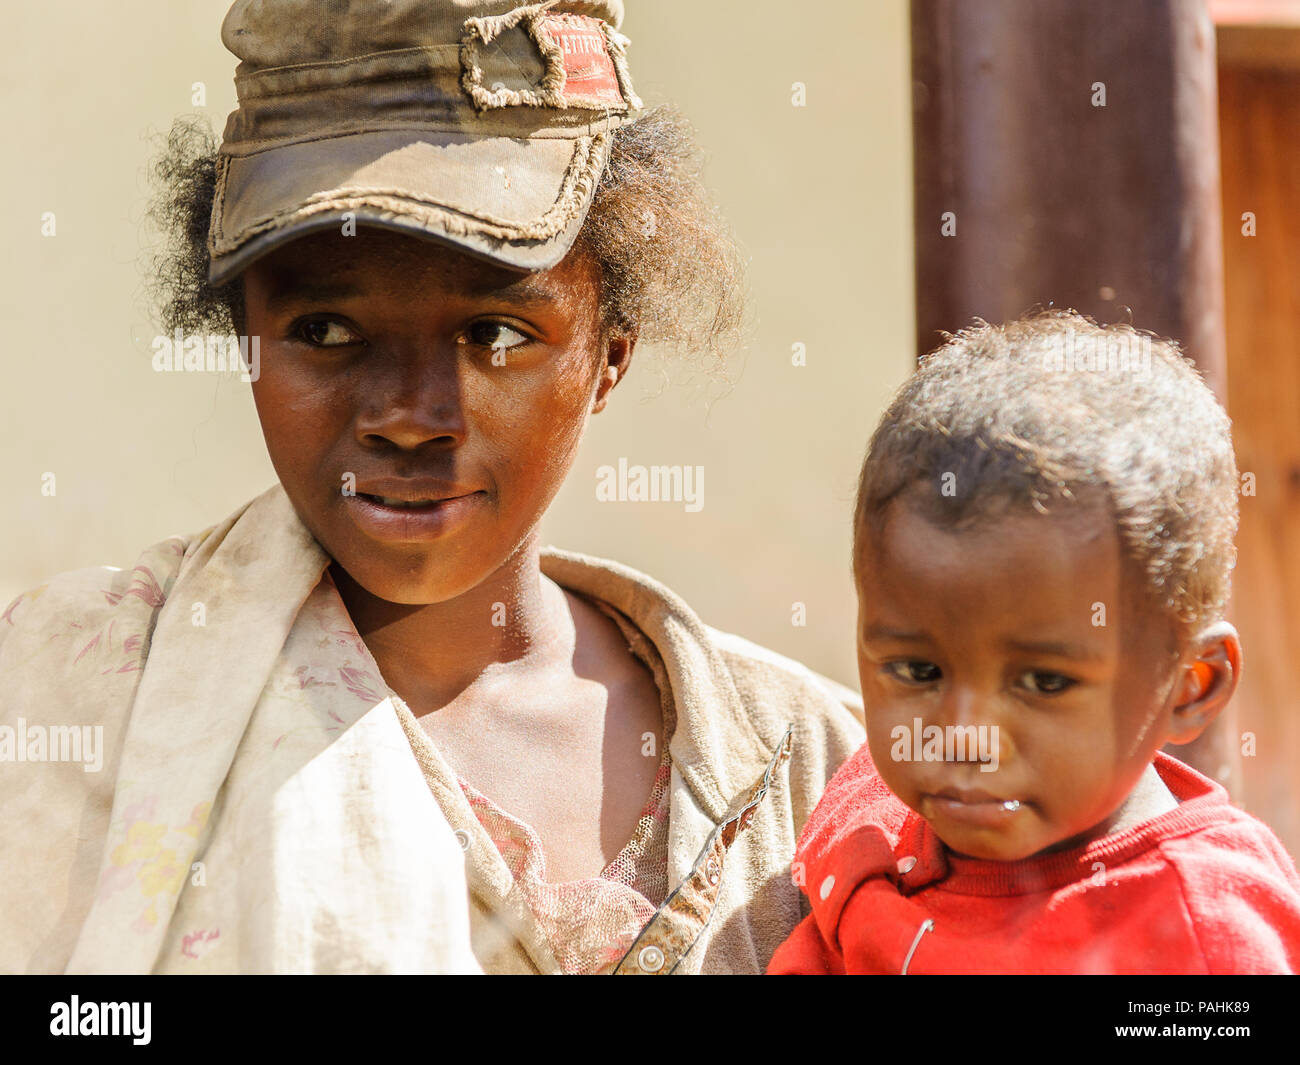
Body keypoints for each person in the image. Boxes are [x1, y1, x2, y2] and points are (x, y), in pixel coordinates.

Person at [0, 0, 863, 974]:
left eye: (495, 335)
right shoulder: (68, 707)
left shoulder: (825, 775)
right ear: (241, 331)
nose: (408, 415)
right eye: (325, 330)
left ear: (610, 352)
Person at [768, 310, 1300, 975]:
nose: (963, 736)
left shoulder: (1200, 931)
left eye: (1045, 682)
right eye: (916, 669)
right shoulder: (870, 805)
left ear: (1192, 685)